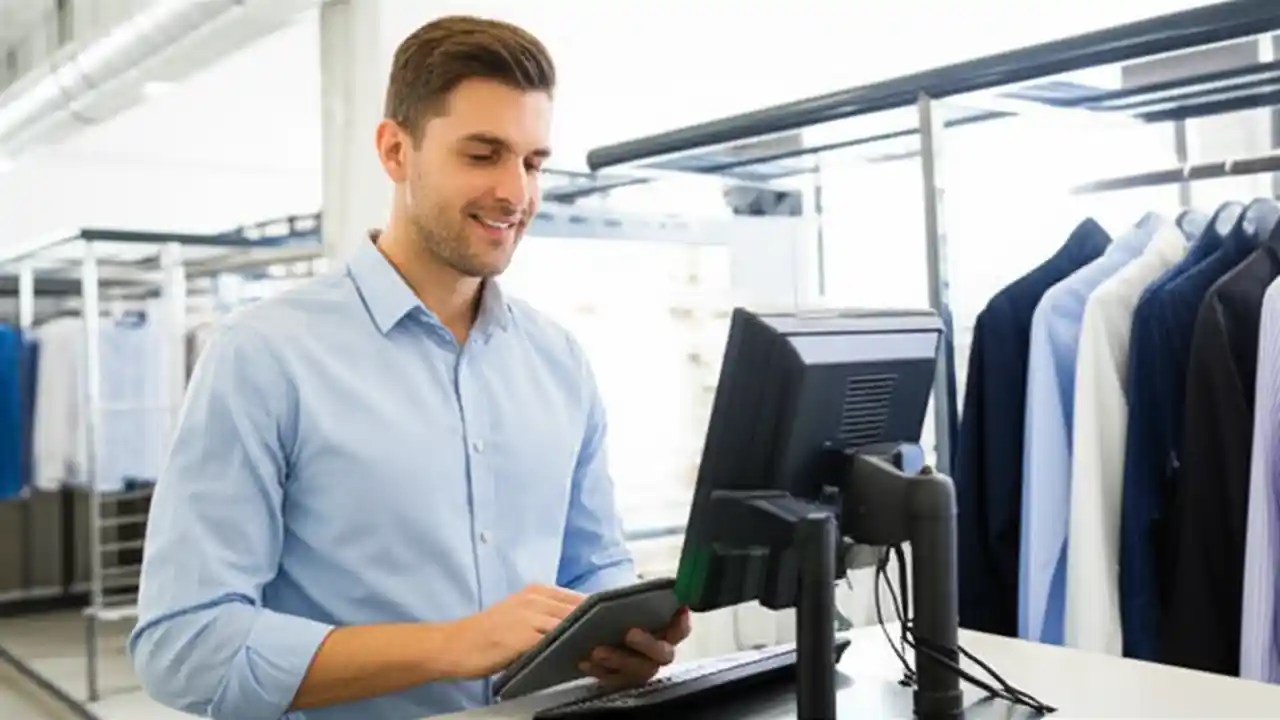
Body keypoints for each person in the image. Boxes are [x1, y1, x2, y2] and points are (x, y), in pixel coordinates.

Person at [129, 15, 691, 720]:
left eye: (533, 161)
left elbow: (591, 570)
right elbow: (184, 646)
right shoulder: (263, 356)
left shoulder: (559, 362)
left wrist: (622, 640)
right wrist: (452, 645)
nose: (516, 193)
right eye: (482, 154)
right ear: (396, 151)